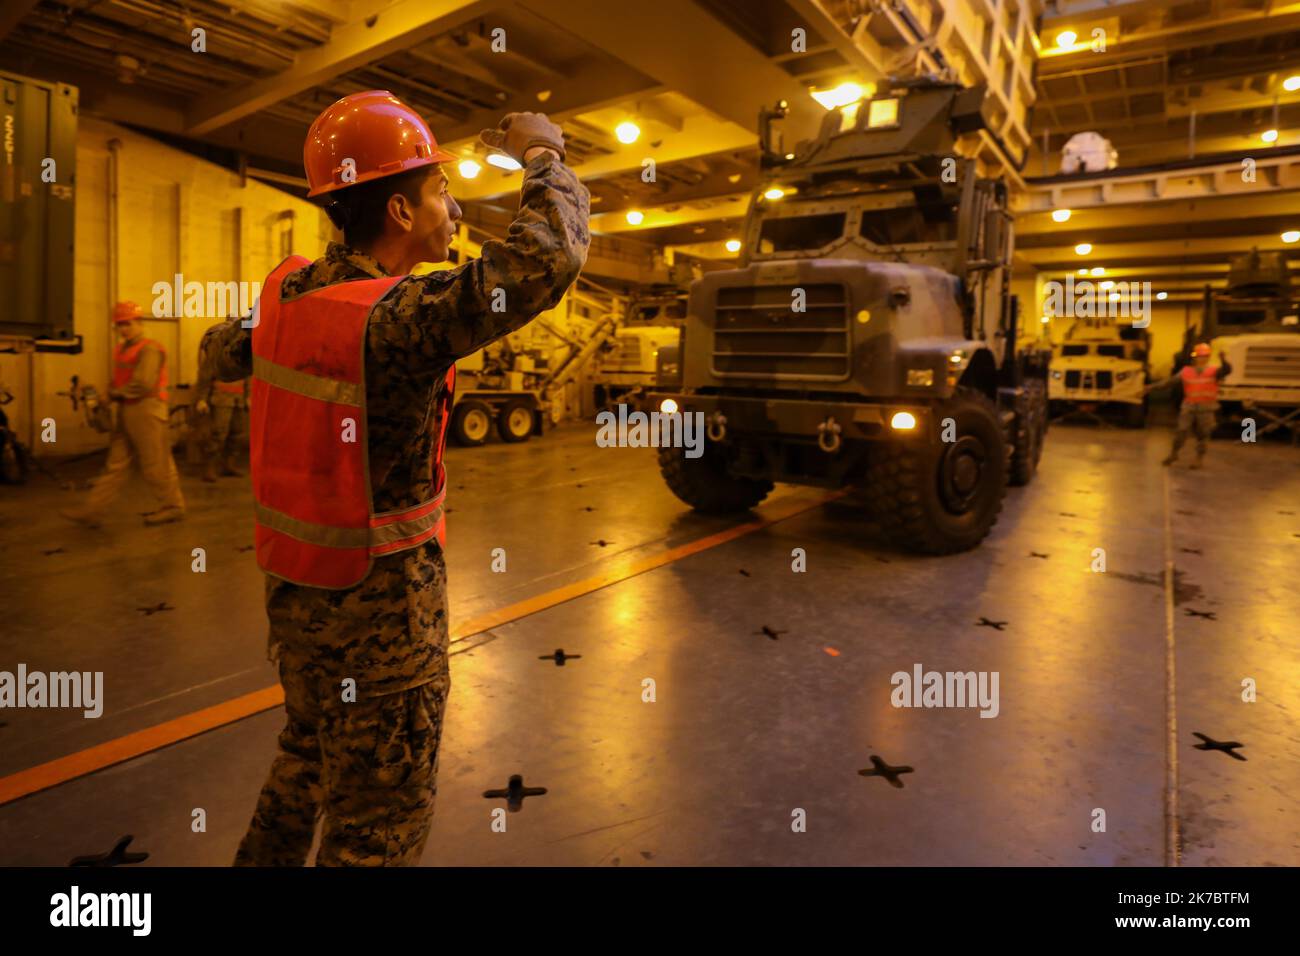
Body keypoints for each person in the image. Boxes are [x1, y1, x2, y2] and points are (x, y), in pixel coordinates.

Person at [201, 91, 588, 866]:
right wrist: (544, 157)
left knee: (306, 754)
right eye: (441, 190)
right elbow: (548, 259)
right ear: (403, 212)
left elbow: (219, 350)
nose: (453, 207)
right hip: (381, 629)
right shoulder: (398, 318)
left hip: (298, 606)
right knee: (377, 829)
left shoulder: (290, 296)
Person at [61, 302, 187, 527]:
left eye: (127, 324)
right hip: (127, 408)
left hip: (147, 409)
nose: (123, 329)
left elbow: (143, 383)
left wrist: (112, 395)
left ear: (139, 323)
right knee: (116, 464)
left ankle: (173, 506)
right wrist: (106, 394)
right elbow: (120, 379)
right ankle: (93, 510)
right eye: (119, 325)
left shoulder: (150, 349)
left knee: (156, 462)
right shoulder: (122, 350)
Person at [1144, 342, 1232, 468]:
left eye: (1204, 356)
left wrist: (1223, 360)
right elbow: (1169, 382)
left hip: (1206, 408)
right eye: (1199, 356)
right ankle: (1174, 454)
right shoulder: (1186, 371)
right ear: (1194, 358)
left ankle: (1198, 459)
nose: (1202, 359)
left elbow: (1226, 370)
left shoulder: (1214, 371)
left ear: (1208, 357)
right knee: (1181, 431)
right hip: (1189, 407)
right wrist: (1151, 387)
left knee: (1203, 435)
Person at [194, 331, 249, 482]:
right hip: (221, 400)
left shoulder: (243, 354)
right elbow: (204, 378)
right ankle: (209, 468)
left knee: (238, 434)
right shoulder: (214, 356)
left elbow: (248, 378)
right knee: (218, 434)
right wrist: (201, 399)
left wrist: (248, 397)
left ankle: (228, 466)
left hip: (239, 401)